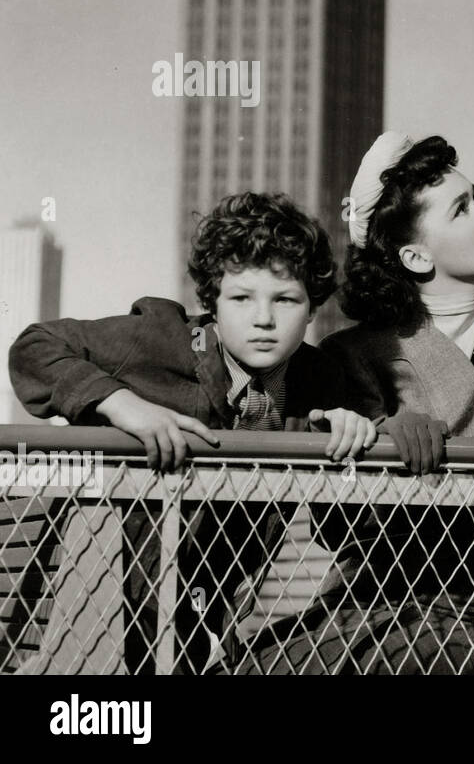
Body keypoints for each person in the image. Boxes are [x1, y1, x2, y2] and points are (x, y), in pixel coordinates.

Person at [7, 191, 421, 673]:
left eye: (285, 300)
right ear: (213, 303)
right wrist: (124, 406)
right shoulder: (161, 338)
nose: (263, 319)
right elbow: (34, 347)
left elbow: (336, 530)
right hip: (98, 595)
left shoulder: (320, 378)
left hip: (205, 607)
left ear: (311, 310)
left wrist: (351, 440)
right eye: (241, 298)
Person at [244, 134, 474, 673]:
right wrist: (381, 438)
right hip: (376, 595)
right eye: (463, 209)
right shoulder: (354, 351)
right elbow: (332, 523)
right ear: (414, 255)